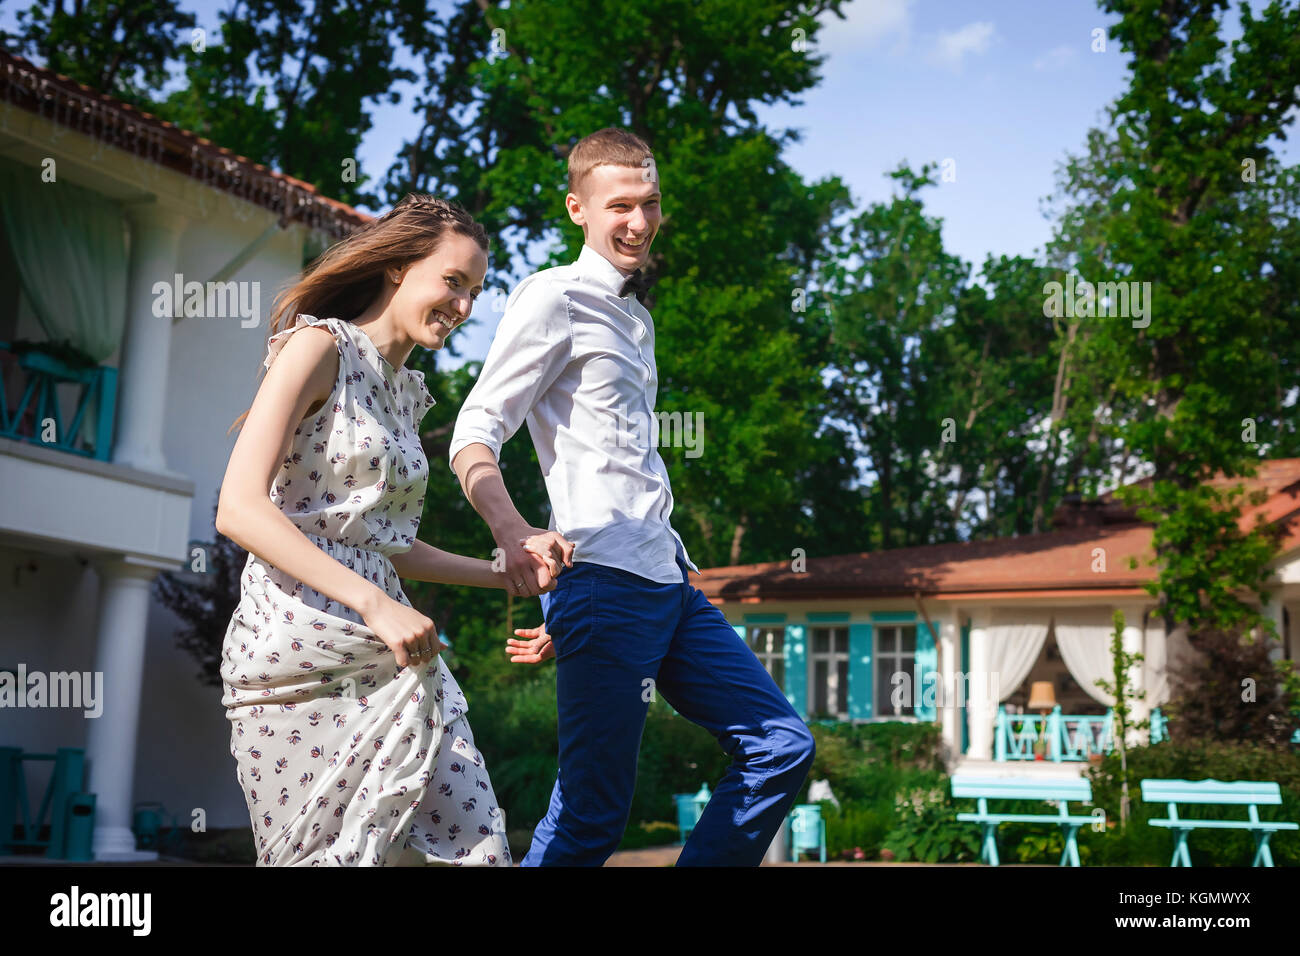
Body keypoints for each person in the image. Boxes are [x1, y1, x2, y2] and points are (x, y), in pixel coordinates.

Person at [451, 128, 817, 866]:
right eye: (621, 204)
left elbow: (610, 460)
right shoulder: (554, 296)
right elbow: (476, 427)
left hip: (663, 582)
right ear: (577, 209)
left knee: (781, 745)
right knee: (593, 814)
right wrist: (518, 533)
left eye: (650, 204)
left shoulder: (636, 318)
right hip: (605, 586)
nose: (640, 222)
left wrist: (581, 609)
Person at [217, 194, 562, 866]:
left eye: (475, 292)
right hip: (297, 657)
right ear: (400, 267)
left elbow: (387, 545)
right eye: (452, 282)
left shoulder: (403, 392)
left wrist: (506, 570)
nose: (463, 307)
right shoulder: (318, 349)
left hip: (397, 658)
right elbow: (239, 507)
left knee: (478, 848)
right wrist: (376, 604)